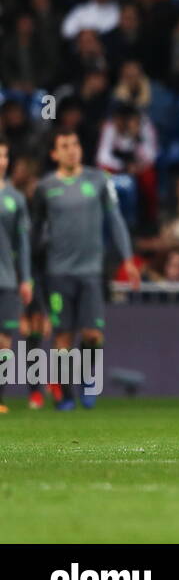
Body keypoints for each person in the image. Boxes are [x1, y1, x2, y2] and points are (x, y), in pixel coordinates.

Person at [31, 127, 140, 411]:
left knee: (92, 334)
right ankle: (66, 394)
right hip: (57, 272)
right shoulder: (45, 188)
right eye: (65, 146)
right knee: (63, 337)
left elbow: (115, 219)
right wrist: (30, 271)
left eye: (75, 144)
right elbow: (35, 231)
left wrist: (128, 259)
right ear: (54, 154)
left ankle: (85, 378)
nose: (72, 150)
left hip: (91, 272)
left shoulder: (99, 180)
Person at [0, 137, 32, 413]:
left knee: (4, 342)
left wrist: (26, 278)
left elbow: (23, 244)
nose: (1, 162)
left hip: (7, 280)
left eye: (4, 156)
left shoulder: (16, 199)